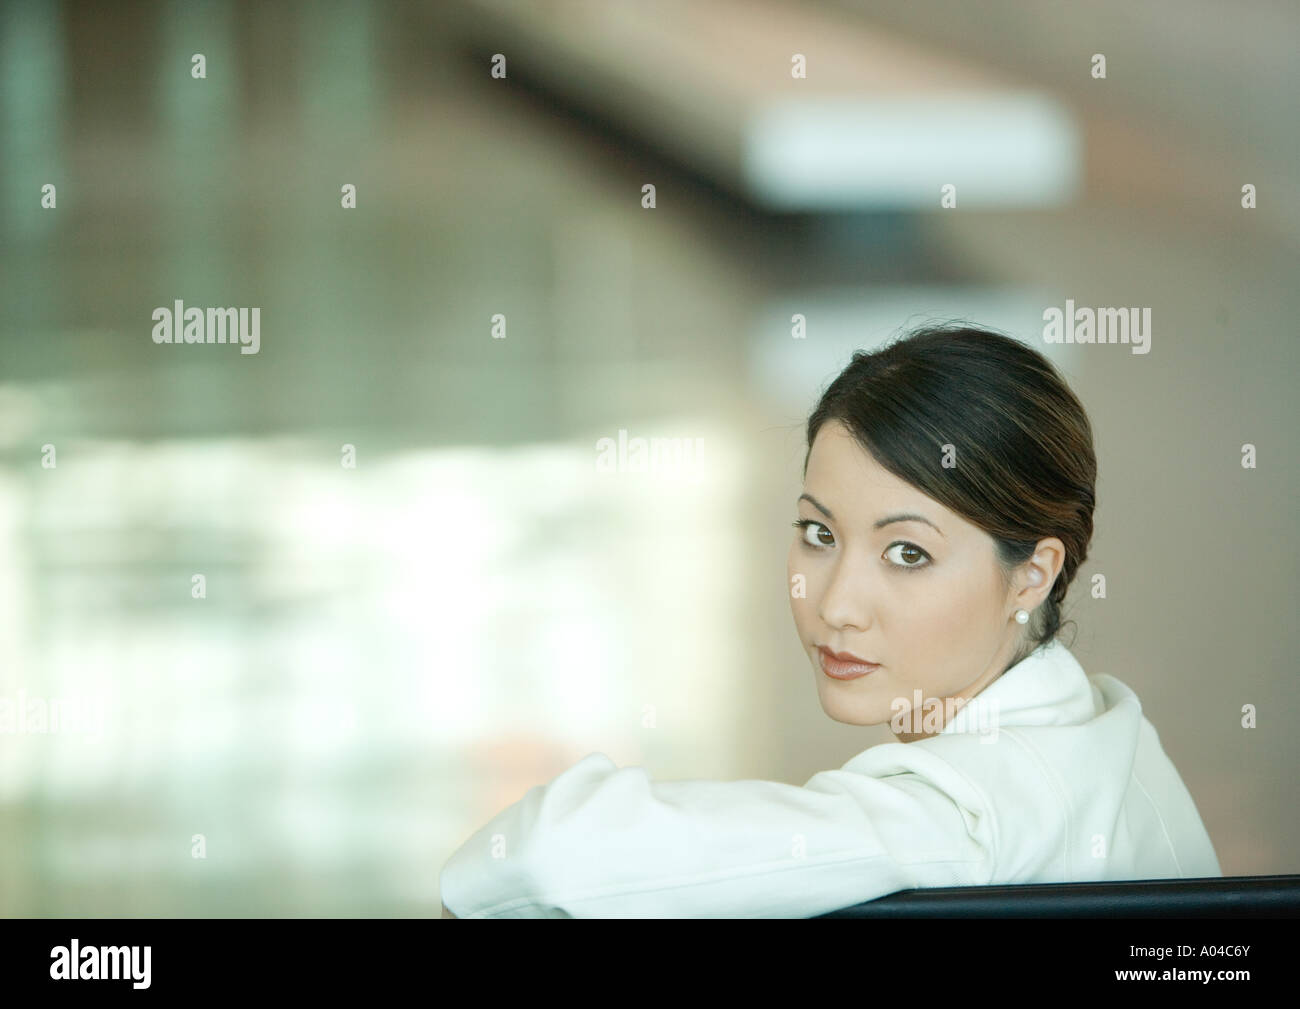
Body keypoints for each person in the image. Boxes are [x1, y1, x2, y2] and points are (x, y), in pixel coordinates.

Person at [438, 322, 1221, 918]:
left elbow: (549, 849)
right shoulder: (1104, 735)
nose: (835, 604)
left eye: (908, 553)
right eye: (819, 534)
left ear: (1033, 573)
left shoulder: (968, 815)